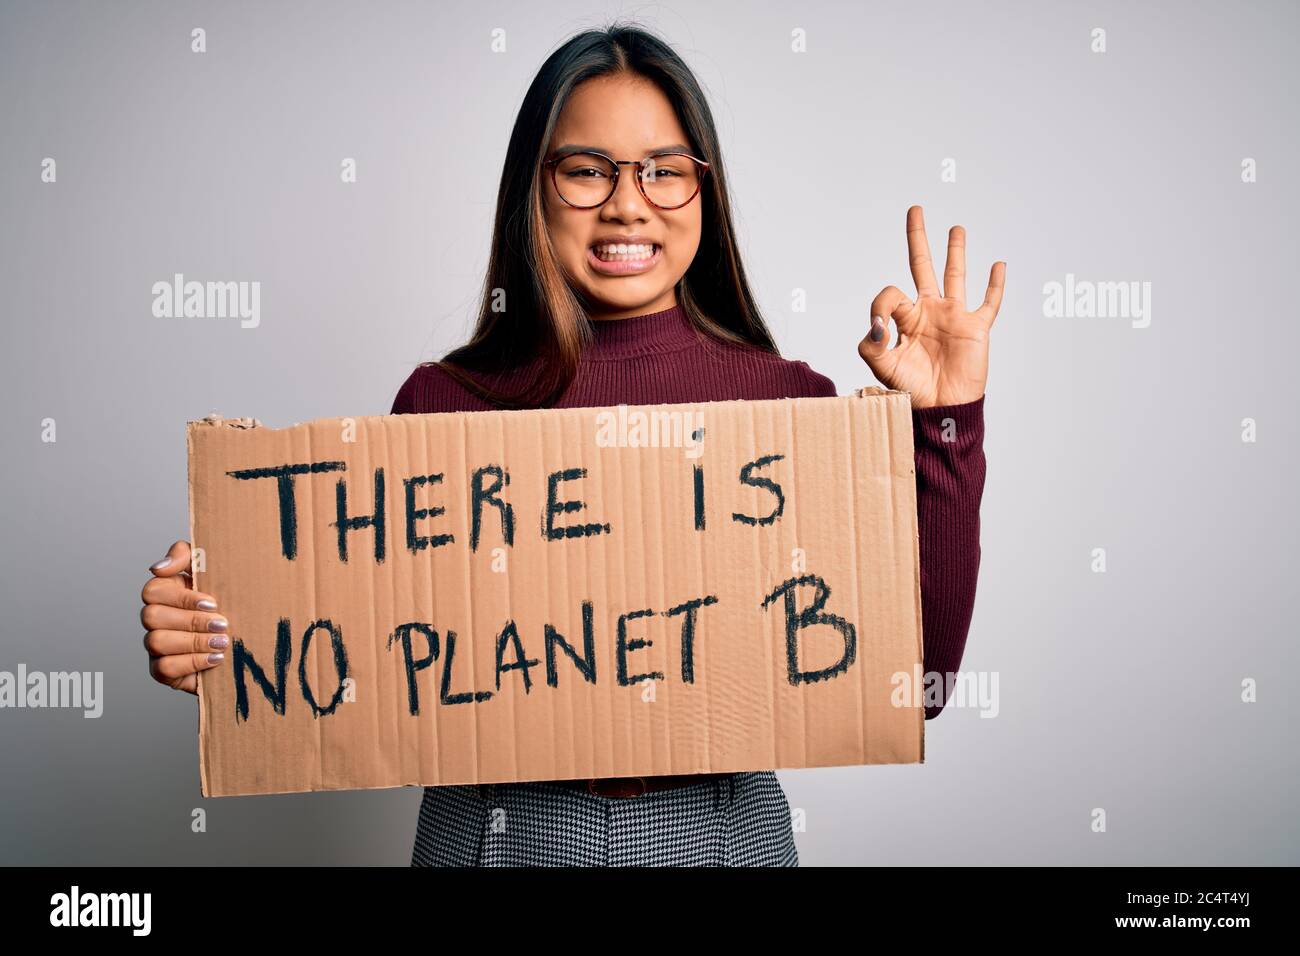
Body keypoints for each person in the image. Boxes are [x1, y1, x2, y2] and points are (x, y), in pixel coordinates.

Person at [140, 23, 1002, 867]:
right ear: (534, 187)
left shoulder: (787, 407)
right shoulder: (440, 405)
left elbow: (917, 682)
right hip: (492, 835)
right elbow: (354, 647)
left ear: (705, 190)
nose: (628, 201)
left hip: (718, 836)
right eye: (587, 170)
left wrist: (947, 420)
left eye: (665, 170)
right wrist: (217, 635)